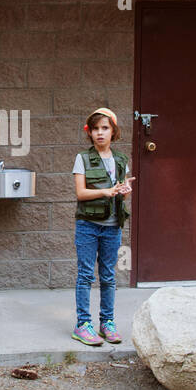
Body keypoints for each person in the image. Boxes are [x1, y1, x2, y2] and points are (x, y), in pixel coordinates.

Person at [71, 107, 134, 346]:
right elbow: (80, 192)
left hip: (112, 227)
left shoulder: (120, 160)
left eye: (105, 128)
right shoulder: (83, 158)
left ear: (113, 131)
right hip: (88, 226)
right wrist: (106, 191)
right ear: (90, 133)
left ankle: (107, 322)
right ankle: (82, 324)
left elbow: (121, 195)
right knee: (86, 275)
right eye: (96, 129)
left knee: (108, 276)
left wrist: (124, 192)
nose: (100, 133)